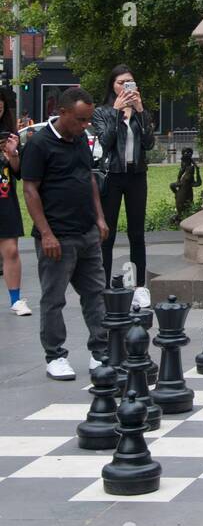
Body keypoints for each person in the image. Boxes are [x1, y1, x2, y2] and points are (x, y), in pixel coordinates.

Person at [20, 86, 110, 380]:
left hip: (86, 233)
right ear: (63, 112)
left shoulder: (80, 138)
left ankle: (101, 351)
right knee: (54, 298)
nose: (85, 126)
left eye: (88, 120)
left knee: (96, 294)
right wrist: (46, 233)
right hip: (57, 236)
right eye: (81, 120)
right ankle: (55, 355)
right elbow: (30, 190)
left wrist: (99, 218)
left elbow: (89, 180)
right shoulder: (39, 144)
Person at [91, 65, 155, 305]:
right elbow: (106, 142)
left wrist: (139, 111)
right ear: (112, 86)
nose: (125, 87)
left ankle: (139, 286)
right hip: (113, 175)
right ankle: (103, 285)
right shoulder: (102, 112)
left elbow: (148, 143)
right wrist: (118, 114)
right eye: (120, 83)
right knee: (107, 232)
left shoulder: (141, 112)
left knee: (137, 233)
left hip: (136, 175)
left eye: (130, 82)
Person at [0, 85, 28, 316]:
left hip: (4, 198)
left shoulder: (10, 135)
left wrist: (13, 155)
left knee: (10, 251)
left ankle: (16, 299)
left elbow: (19, 172)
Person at [170, 146, 202, 219]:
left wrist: (197, 172)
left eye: (190, 153)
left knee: (188, 210)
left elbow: (198, 183)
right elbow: (171, 185)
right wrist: (178, 182)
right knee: (182, 212)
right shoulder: (183, 182)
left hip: (187, 195)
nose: (188, 154)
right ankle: (179, 216)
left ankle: (183, 216)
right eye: (186, 152)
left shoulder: (190, 181)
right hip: (181, 194)